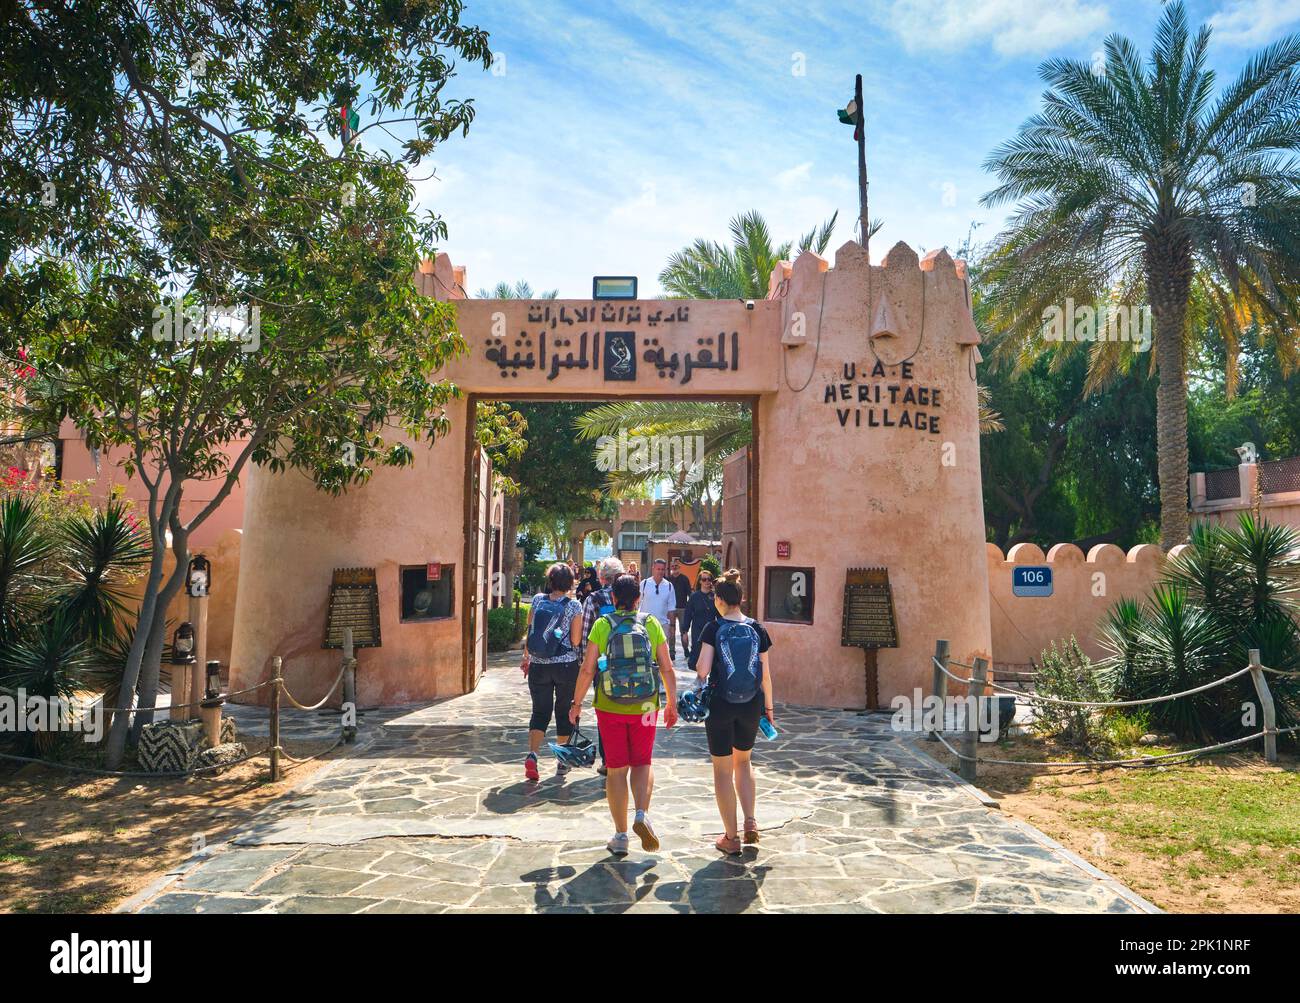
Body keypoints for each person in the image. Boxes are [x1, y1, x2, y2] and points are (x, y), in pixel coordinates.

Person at [571, 574, 678, 856]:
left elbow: (588, 668)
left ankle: (620, 836)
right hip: (645, 706)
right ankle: (641, 813)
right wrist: (672, 703)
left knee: (617, 769)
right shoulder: (651, 624)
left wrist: (576, 703)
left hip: (610, 705)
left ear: (614, 599)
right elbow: (666, 667)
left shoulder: (603, 625)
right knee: (642, 763)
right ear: (639, 599)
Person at [692, 569, 774, 855]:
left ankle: (731, 837)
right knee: (745, 762)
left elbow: (703, 669)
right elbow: (765, 674)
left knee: (722, 771)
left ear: (719, 599)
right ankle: (750, 820)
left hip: (720, 706)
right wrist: (769, 708)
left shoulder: (713, 629)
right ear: (741, 598)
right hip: (751, 703)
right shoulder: (757, 629)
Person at [520, 563, 584, 782]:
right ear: (570, 583)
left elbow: (531, 631)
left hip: (539, 664)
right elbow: (575, 640)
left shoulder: (538, 600)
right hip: (566, 665)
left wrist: (526, 656)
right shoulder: (574, 606)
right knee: (564, 711)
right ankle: (562, 761)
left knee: (540, 711)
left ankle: (533, 754)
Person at [681, 567, 720, 672]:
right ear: (700, 581)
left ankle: (709, 679)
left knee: (712, 654)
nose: (707, 581)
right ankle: (700, 678)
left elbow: (720, 615)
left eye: (709, 579)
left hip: (712, 630)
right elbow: (688, 614)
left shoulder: (715, 597)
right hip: (697, 630)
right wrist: (684, 631)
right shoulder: (694, 597)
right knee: (698, 654)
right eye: (704, 579)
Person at [638, 559, 675, 653]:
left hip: (662, 626)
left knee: (661, 654)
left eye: (662, 569)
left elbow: (671, 609)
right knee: (645, 652)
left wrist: (672, 627)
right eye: (658, 569)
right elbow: (636, 603)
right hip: (645, 625)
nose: (660, 571)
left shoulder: (669, 586)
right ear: (653, 569)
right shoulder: (644, 584)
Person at [667, 558, 692, 663]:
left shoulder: (685, 579)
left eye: (676, 566)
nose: (674, 568)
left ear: (679, 568)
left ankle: (686, 649)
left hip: (682, 608)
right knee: (671, 632)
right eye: (672, 566)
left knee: (683, 631)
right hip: (671, 609)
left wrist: (691, 607)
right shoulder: (668, 579)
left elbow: (689, 594)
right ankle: (672, 653)